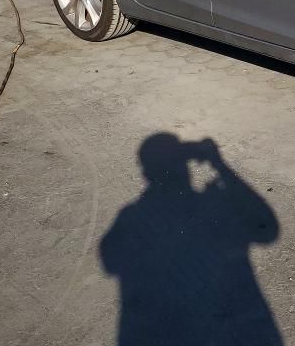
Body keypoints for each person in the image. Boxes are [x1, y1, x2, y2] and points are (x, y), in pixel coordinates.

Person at [100, 133, 282, 346]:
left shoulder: (130, 219)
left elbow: (110, 259)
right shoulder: (214, 207)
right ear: (184, 166)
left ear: (146, 172)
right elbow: (268, 229)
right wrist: (220, 165)